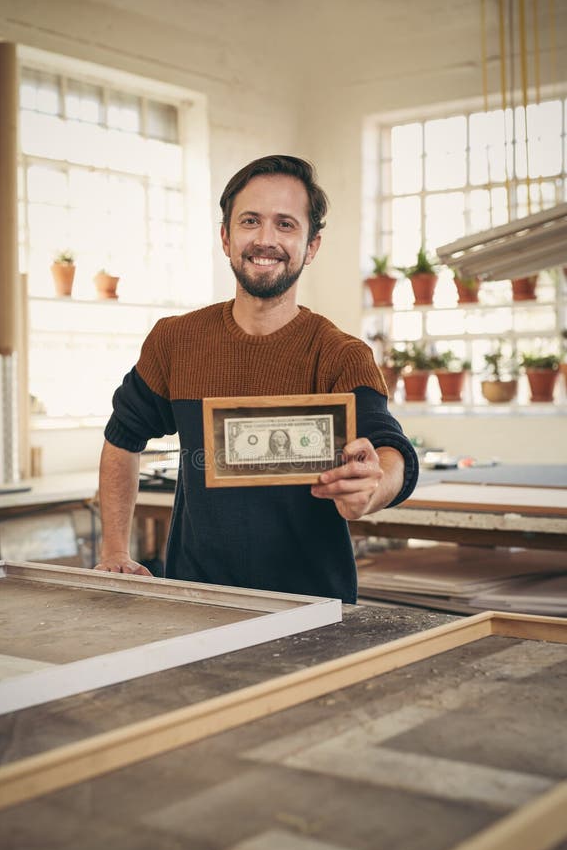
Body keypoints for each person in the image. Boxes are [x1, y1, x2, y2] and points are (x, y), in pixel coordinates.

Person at [95, 155, 418, 602]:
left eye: (286, 224)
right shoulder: (175, 341)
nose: (266, 240)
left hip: (314, 610)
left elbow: (391, 450)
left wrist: (373, 486)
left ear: (312, 246)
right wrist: (114, 550)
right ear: (226, 238)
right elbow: (122, 436)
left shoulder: (341, 355)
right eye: (251, 221)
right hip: (195, 603)